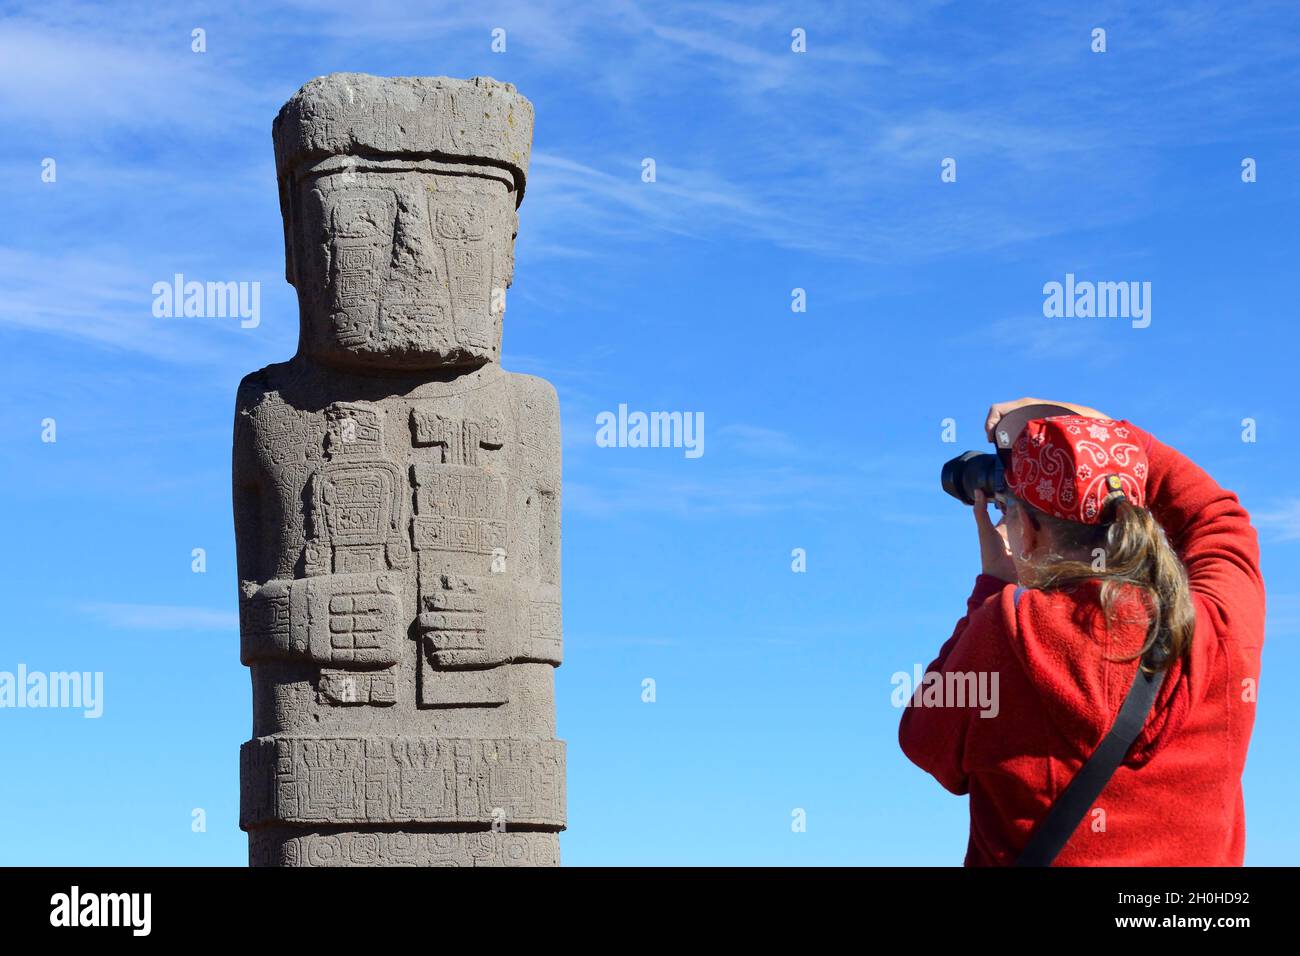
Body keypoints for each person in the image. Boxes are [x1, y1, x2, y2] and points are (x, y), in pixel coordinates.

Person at [898, 397, 1265, 865]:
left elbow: (924, 740)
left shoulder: (1006, 630)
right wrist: (1109, 434)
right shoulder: (1220, 627)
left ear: (1027, 530)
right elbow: (1217, 517)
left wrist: (992, 587)